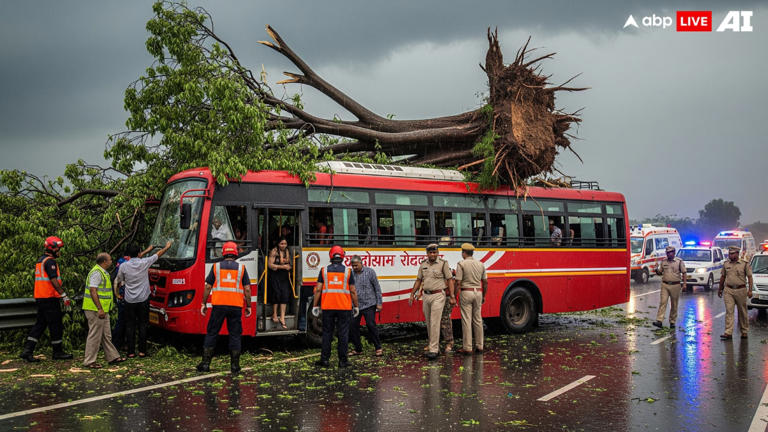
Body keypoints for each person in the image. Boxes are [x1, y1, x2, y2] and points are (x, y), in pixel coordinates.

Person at [197, 241, 252, 374]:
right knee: (235, 335)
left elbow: (208, 286)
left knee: (212, 332)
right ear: (235, 253)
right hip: (236, 307)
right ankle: (235, 366)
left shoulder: (216, 267)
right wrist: (248, 306)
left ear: (223, 252)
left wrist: (203, 303)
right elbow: (248, 289)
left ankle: (205, 364)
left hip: (218, 306)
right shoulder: (241, 268)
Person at [20, 236, 73, 362]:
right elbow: (53, 280)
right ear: (52, 249)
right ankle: (57, 352)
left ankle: (27, 351)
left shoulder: (41, 261)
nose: (59, 251)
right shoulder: (50, 262)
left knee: (40, 324)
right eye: (58, 249)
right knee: (56, 325)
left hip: (41, 297)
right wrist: (64, 295)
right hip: (49, 298)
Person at [116, 240, 172, 358]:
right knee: (143, 324)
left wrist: (117, 294)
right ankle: (142, 351)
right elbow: (157, 255)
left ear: (128, 255)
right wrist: (167, 247)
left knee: (130, 325)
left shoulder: (124, 266)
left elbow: (119, 280)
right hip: (143, 299)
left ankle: (131, 352)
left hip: (129, 299)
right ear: (139, 253)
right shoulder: (144, 263)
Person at [312, 245, 359, 368]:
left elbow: (318, 290)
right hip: (344, 307)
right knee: (343, 334)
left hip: (328, 307)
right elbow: (353, 291)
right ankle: (343, 361)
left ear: (330, 256)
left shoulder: (324, 271)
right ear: (342, 257)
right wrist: (356, 306)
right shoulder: (348, 272)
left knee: (327, 333)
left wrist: (315, 306)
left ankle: (325, 360)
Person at [409, 243, 455, 360]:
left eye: (435, 252)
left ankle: (434, 350)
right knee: (429, 323)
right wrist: (412, 293)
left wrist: (453, 296)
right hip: (426, 296)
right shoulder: (423, 264)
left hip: (438, 295)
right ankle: (433, 346)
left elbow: (450, 280)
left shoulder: (443, 264)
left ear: (438, 253)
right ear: (427, 254)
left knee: (435, 322)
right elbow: (419, 280)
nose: (433, 254)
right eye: (430, 252)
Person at [82, 253, 124, 368]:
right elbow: (93, 291)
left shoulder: (102, 272)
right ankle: (90, 361)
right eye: (110, 259)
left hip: (103, 309)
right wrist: (99, 308)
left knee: (106, 334)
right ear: (104, 262)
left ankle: (113, 356)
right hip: (95, 309)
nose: (111, 261)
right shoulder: (97, 273)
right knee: (95, 335)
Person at [455, 243, 488, 355]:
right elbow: (485, 282)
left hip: (466, 292)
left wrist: (455, 296)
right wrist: (484, 296)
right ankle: (480, 345)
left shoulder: (461, 264)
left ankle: (467, 347)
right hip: (478, 292)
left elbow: (458, 282)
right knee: (478, 320)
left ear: (463, 252)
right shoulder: (481, 264)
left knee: (466, 320)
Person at [348, 255, 384, 357]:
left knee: (371, 325)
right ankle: (358, 348)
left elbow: (377, 288)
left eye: (356, 265)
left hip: (369, 304)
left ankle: (378, 348)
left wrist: (379, 303)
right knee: (353, 326)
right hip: (355, 306)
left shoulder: (370, 272)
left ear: (361, 263)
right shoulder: (350, 274)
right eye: (353, 266)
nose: (354, 267)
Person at [718, 246, 754, 340]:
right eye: (729, 254)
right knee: (729, 311)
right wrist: (720, 289)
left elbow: (750, 277)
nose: (730, 255)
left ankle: (744, 331)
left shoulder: (744, 264)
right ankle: (728, 332)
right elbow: (723, 277)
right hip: (728, 290)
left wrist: (750, 290)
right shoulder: (726, 264)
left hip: (741, 290)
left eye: (732, 254)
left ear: (737, 254)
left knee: (742, 311)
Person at [652, 246, 686, 329]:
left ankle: (672, 321)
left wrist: (684, 284)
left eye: (670, 252)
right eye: (667, 253)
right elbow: (660, 273)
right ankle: (659, 320)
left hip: (675, 285)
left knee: (674, 304)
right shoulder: (663, 261)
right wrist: (656, 269)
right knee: (663, 302)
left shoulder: (679, 262)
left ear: (674, 253)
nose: (668, 254)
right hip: (665, 285)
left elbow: (684, 273)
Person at [268, 237, 292, 329]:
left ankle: (282, 317)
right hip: (275, 276)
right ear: (278, 244)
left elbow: (288, 262)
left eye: (285, 244)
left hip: (284, 276)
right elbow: (270, 265)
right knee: (277, 294)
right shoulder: (274, 251)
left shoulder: (287, 251)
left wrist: (286, 265)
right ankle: (274, 314)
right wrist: (282, 266)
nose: (283, 245)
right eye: (282, 244)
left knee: (285, 295)